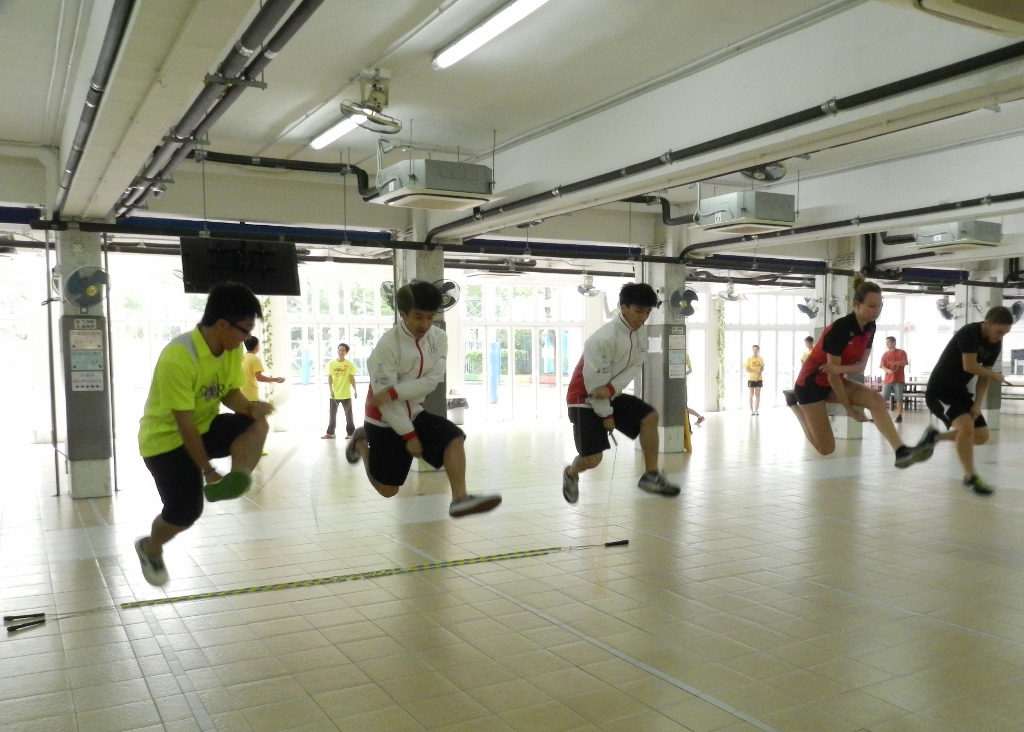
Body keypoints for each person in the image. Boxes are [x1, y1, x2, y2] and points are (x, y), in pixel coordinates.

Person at [135, 283, 273, 586]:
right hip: (164, 444)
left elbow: (230, 394)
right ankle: (151, 546)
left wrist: (250, 408)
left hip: (204, 428)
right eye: (245, 330)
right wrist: (209, 471)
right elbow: (184, 425)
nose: (247, 338)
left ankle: (238, 479)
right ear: (223, 324)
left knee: (257, 424)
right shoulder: (179, 357)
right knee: (185, 512)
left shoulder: (231, 349)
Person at [346, 281, 501, 518]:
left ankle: (460, 498)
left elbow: (433, 381)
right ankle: (361, 445)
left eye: (430, 318)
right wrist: (408, 435)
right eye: (418, 317)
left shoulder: (438, 338)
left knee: (453, 436)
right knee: (389, 490)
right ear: (403, 314)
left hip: (415, 412)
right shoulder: (387, 347)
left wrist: (395, 392)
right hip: (384, 420)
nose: (425, 324)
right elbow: (384, 401)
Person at [783, 275, 935, 469]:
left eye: (879, 306)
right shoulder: (839, 329)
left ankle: (901, 451)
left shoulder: (870, 328)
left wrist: (839, 369)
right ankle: (794, 405)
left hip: (832, 380)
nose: (876, 311)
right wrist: (850, 410)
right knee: (826, 448)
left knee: (877, 400)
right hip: (810, 386)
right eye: (872, 306)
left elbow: (860, 367)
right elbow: (833, 376)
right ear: (856, 304)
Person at [562, 282, 681, 504]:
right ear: (622, 307)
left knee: (649, 417)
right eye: (638, 311)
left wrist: (611, 390)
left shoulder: (639, 333)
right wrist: (607, 416)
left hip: (609, 392)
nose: (643, 317)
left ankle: (651, 475)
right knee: (592, 459)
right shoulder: (601, 340)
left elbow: (635, 366)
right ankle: (570, 473)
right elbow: (594, 386)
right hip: (583, 398)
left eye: (647, 312)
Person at [925, 306, 1014, 495]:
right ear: (987, 323)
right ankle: (970, 477)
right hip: (939, 392)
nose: (1001, 337)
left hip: (960, 392)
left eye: (1005, 333)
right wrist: (994, 374)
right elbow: (970, 366)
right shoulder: (969, 332)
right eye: (999, 332)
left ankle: (934, 437)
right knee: (966, 427)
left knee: (981, 436)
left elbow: (984, 377)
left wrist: (977, 405)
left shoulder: (995, 344)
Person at [323, 343, 358, 439]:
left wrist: (355, 390)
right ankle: (330, 433)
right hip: (334, 394)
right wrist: (330, 390)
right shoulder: (331, 363)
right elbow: (330, 378)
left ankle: (351, 434)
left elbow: (352, 378)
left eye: (343, 350)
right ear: (337, 351)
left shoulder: (349, 364)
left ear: (346, 352)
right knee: (332, 415)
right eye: (339, 350)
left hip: (346, 394)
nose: (341, 352)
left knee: (349, 416)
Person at [240, 336, 284, 401]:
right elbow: (259, 377)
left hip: (240, 395)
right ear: (256, 346)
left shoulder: (241, 357)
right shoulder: (255, 359)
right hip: (251, 396)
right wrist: (276, 379)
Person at [879, 336, 908, 423]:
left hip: (899, 380)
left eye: (889, 342)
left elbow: (905, 362)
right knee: (883, 398)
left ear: (894, 343)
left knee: (899, 398)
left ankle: (899, 416)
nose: (887, 344)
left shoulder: (901, 352)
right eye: (886, 343)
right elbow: (882, 365)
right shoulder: (885, 354)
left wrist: (895, 363)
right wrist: (888, 370)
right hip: (888, 380)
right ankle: (880, 415)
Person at [745, 345, 765, 416]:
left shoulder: (760, 359)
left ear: (758, 350)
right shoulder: (749, 359)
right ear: (752, 350)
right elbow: (747, 369)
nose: (755, 351)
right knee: (751, 394)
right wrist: (755, 371)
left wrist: (759, 372)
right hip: (751, 379)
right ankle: (751, 409)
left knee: (757, 394)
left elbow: (762, 367)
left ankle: (756, 409)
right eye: (753, 349)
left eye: (756, 349)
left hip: (759, 379)